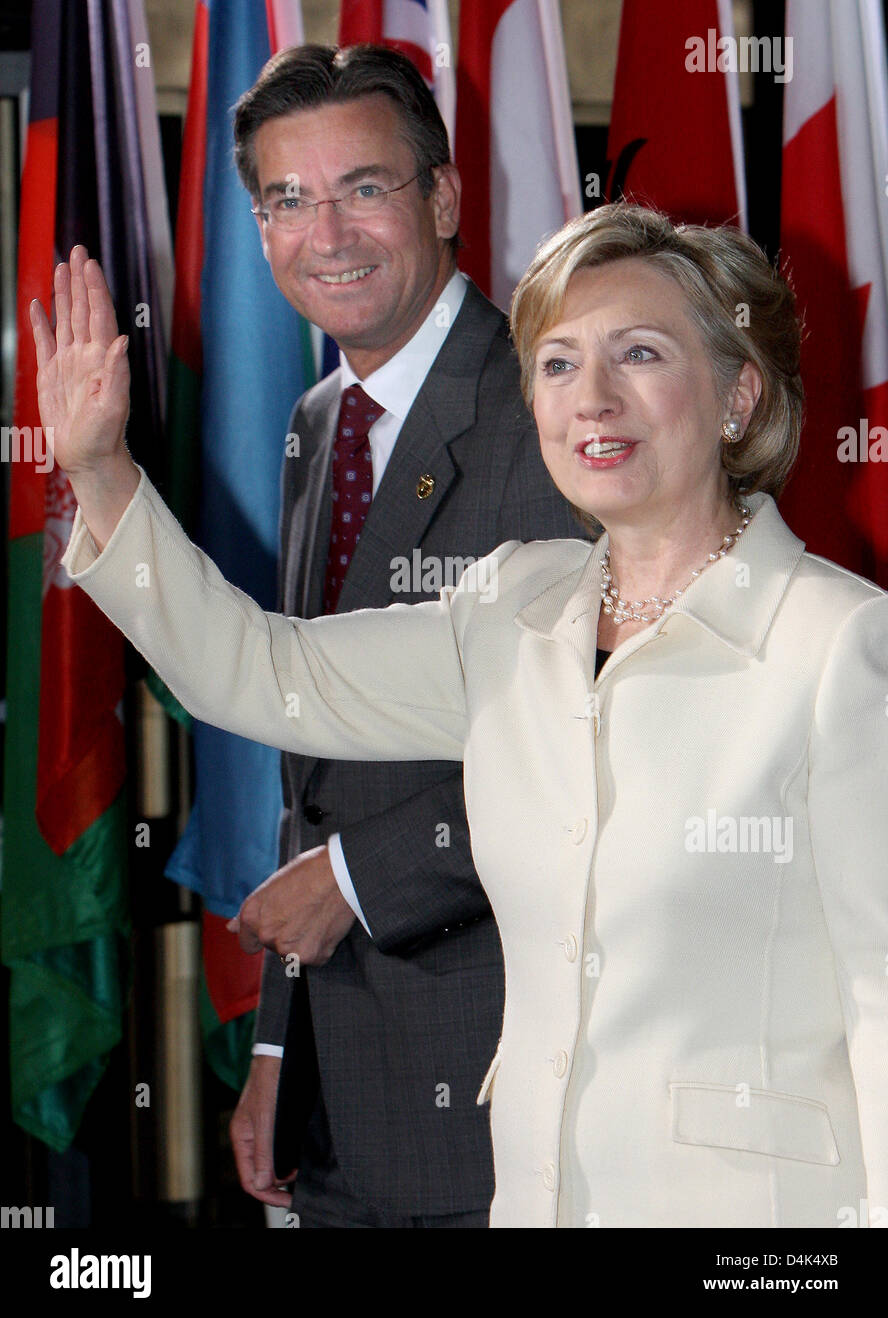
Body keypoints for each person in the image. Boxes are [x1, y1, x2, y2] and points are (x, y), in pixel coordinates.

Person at [32, 202, 888, 1228]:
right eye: (559, 363)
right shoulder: (510, 610)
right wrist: (101, 471)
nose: (593, 399)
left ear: (738, 395)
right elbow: (258, 672)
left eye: (641, 353)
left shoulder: (839, 643)